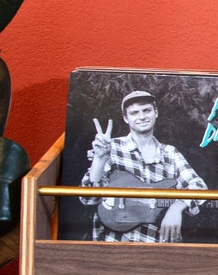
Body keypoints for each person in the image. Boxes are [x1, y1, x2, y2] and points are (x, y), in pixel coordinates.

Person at [81, 89, 208, 242]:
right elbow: (88, 198)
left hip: (158, 246)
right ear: (126, 118)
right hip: (113, 243)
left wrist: (178, 207)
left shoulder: (170, 153)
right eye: (134, 113)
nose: (141, 117)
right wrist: (100, 159)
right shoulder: (111, 147)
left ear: (156, 112)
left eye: (146, 110)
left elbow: (199, 186)